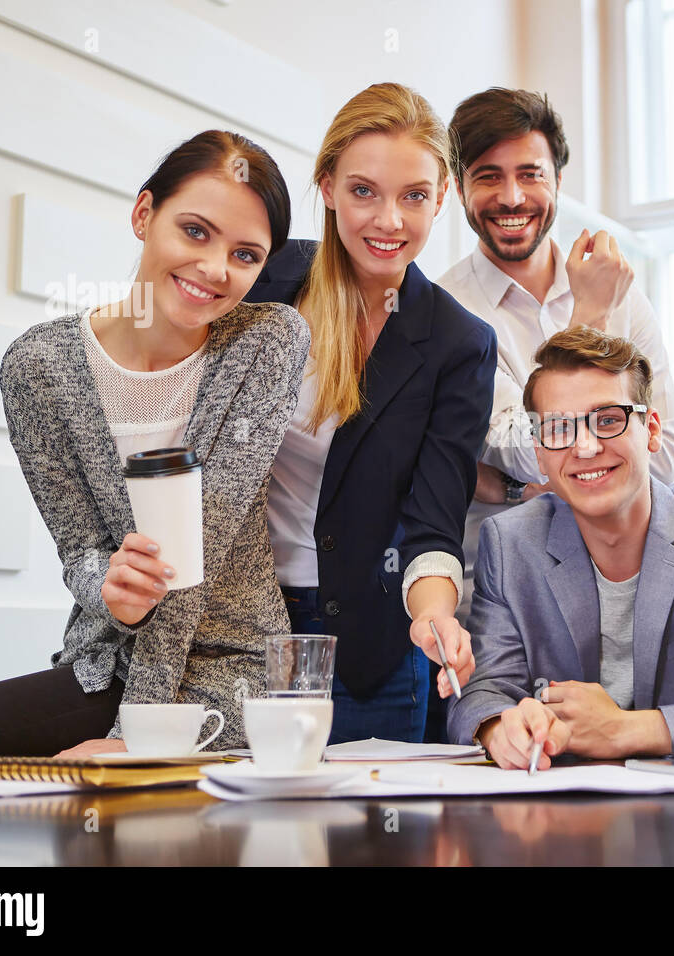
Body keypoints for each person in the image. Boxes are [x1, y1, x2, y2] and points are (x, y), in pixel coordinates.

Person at [0, 130, 309, 756]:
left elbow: (191, 562)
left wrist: (133, 742)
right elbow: (80, 552)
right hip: (104, 664)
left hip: (232, 678)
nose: (216, 269)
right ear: (144, 215)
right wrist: (109, 588)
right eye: (195, 231)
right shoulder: (38, 367)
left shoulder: (267, 343)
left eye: (246, 255)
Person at [245, 83, 496, 745]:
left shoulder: (458, 343)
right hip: (240, 624)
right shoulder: (264, 282)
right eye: (364, 191)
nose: (389, 221)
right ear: (326, 186)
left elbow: (434, 519)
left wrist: (435, 616)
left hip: (373, 650)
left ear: (442, 197)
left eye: (414, 195)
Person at [445, 327, 674, 769]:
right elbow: (482, 693)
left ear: (651, 430)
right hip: (559, 814)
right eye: (558, 428)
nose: (587, 447)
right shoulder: (510, 542)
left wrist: (631, 729)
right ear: (538, 451)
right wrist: (500, 727)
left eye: (608, 420)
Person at [438, 88, 674, 620]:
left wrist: (508, 485)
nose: (511, 197)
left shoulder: (619, 289)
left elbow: (664, 456)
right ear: (459, 188)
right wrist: (591, 319)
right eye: (487, 176)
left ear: (556, 181)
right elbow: (525, 451)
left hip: (624, 599)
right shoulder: (442, 314)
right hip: (502, 607)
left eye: (530, 174)